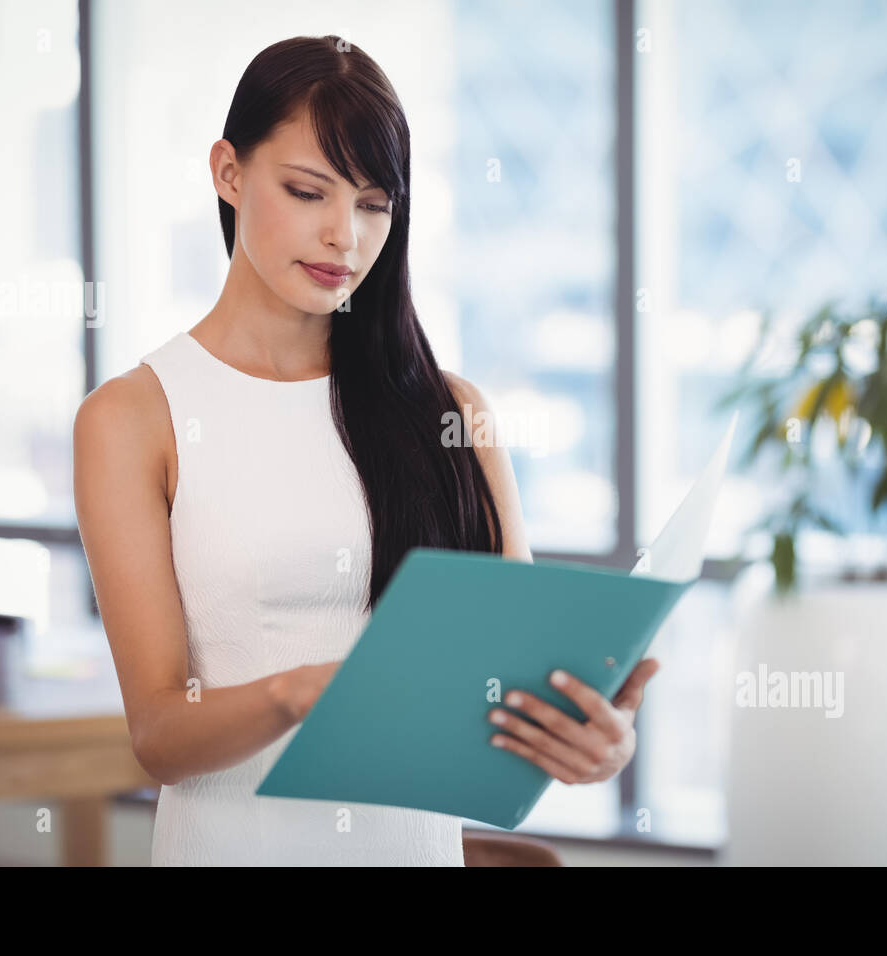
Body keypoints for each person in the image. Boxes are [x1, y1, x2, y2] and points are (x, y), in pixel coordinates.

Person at [73, 35, 659, 866]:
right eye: (307, 191)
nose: (344, 235)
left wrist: (593, 739)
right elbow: (159, 737)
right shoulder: (133, 418)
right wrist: (304, 691)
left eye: (375, 203)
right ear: (228, 173)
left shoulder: (453, 414)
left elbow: (511, 683)